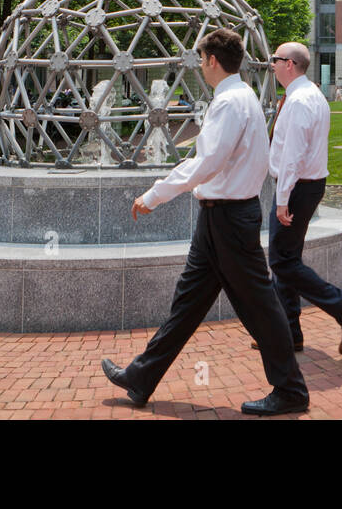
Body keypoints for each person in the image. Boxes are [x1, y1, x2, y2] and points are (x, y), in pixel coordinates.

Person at [101, 29, 308, 416]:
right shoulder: (240, 97)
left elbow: (206, 163)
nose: (198, 65)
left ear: (213, 60)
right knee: (188, 305)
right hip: (221, 218)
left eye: (200, 58)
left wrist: (154, 196)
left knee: (261, 307)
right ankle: (140, 377)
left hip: (228, 219)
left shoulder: (230, 102)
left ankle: (292, 390)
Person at [260, 42, 342, 355]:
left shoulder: (300, 101)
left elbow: (293, 154)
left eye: (275, 60)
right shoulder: (309, 95)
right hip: (306, 185)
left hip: (297, 187)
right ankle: (288, 334)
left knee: (281, 261)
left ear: (289, 64)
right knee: (287, 260)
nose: (272, 65)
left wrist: (282, 199)